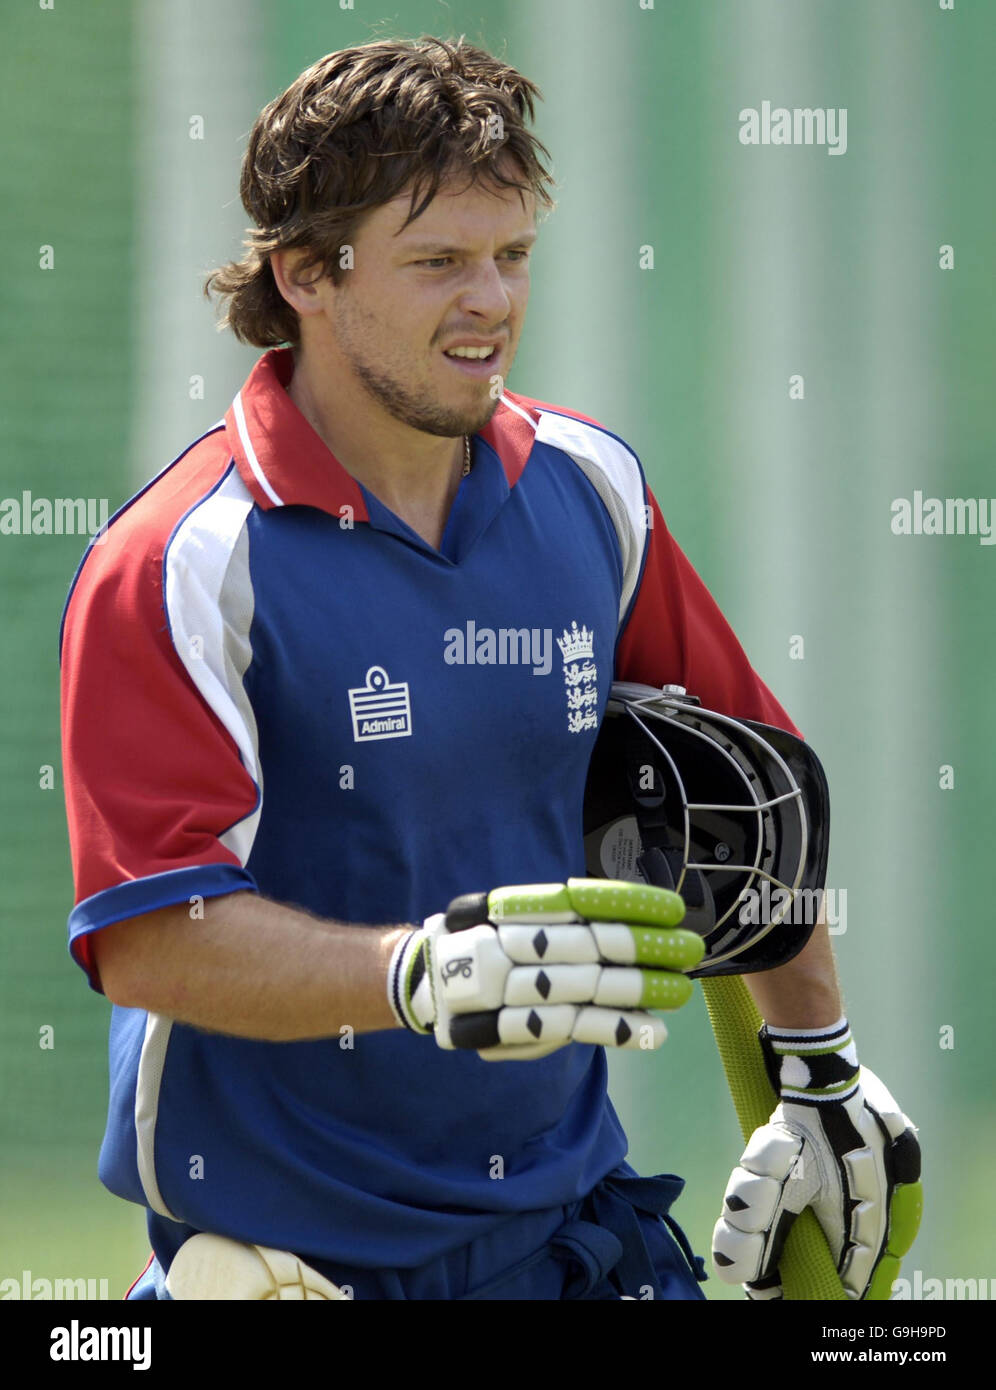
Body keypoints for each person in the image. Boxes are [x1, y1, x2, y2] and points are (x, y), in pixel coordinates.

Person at [60, 36, 915, 1302]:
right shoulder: (179, 563)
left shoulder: (593, 490)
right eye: (439, 262)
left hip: (574, 1238)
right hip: (296, 1270)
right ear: (306, 274)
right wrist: (417, 973)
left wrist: (820, 1064)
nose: (494, 301)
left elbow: (753, 796)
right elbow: (151, 937)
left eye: (512, 255)